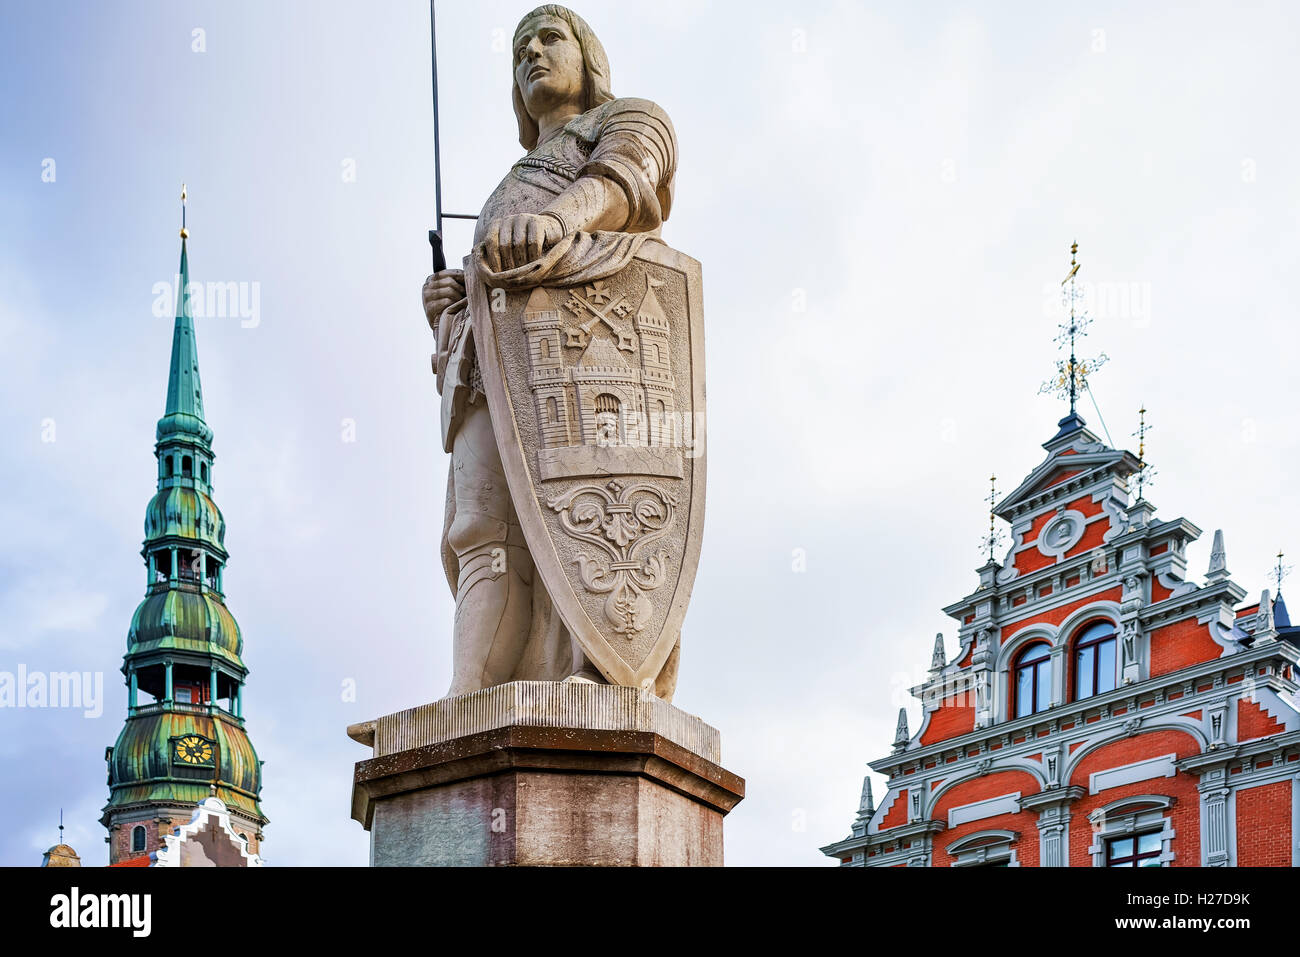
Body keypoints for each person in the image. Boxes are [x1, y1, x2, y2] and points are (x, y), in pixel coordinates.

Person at [421, 5, 679, 697]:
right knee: (479, 530)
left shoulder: (626, 117)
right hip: (490, 369)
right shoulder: (510, 179)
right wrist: (447, 311)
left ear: (586, 54)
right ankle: (467, 694)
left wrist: (556, 220)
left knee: (592, 513)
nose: (531, 54)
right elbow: (491, 296)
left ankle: (600, 667)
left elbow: (628, 179)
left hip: (589, 356)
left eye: (549, 38)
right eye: (518, 49)